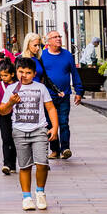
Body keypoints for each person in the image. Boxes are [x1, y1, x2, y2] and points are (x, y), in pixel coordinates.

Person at [0, 56, 59, 210]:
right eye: (20, 72)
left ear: (34, 74)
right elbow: (2, 110)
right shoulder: (12, 89)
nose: (23, 75)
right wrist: (11, 102)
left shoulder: (40, 88)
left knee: (42, 163)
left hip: (39, 130)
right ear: (16, 72)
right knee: (24, 166)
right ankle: (26, 197)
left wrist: (55, 127)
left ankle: (40, 192)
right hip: (19, 131)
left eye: (27, 72)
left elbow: (51, 108)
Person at [38, 28, 83, 160]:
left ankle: (65, 149)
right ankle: (55, 150)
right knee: (50, 124)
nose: (58, 39)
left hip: (64, 95)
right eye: (55, 37)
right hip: (48, 96)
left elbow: (74, 73)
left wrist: (78, 91)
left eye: (59, 36)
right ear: (48, 42)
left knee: (64, 122)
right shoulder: (43, 56)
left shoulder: (67, 55)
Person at [0, 58, 18, 175]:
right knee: (6, 138)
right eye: (2, 75)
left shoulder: (18, 85)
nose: (3, 78)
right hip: (3, 115)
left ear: (12, 74)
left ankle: (13, 164)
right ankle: (6, 163)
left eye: (6, 75)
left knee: (14, 139)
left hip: (16, 115)